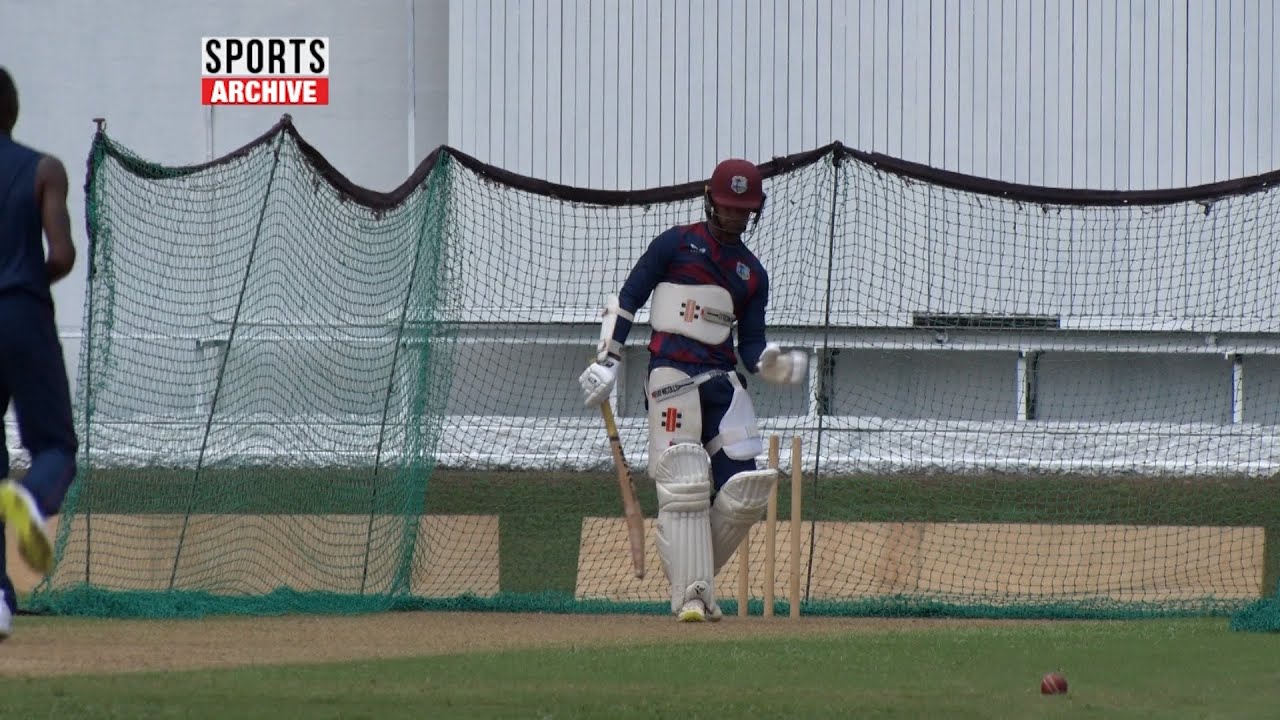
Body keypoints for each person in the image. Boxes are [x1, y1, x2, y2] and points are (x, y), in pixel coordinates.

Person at [578, 158, 808, 622]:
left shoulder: (752, 274)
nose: (734, 217)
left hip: (721, 380)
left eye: (743, 210)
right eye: (727, 207)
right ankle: (692, 598)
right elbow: (628, 300)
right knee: (685, 481)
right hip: (672, 376)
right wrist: (608, 360)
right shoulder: (675, 244)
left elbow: (752, 344)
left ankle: (691, 581)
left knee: (746, 490)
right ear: (710, 201)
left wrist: (770, 363)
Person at [0, 67, 80, 640]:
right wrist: (25, 279)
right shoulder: (43, 169)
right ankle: (31, 498)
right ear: (13, 111)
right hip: (22, 312)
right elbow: (63, 254)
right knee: (55, 446)